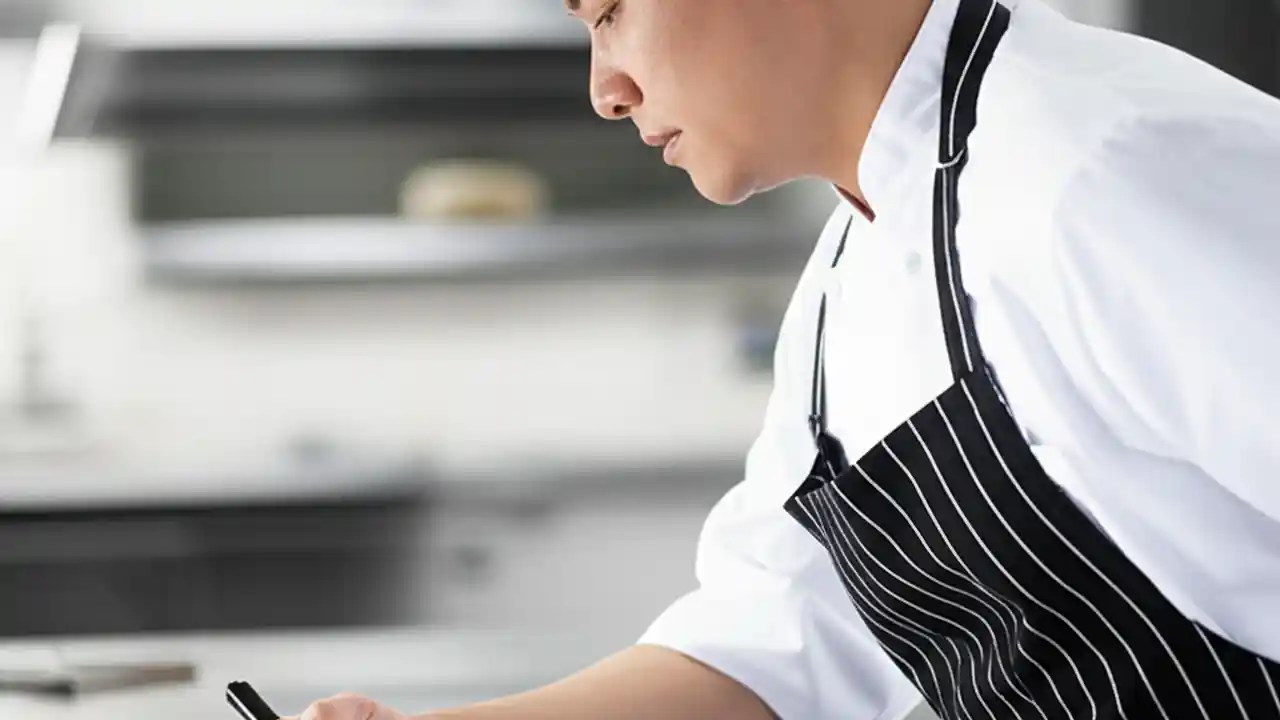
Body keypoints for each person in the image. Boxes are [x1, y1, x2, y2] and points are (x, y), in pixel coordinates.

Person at [287, 0, 1280, 717]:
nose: (603, 88)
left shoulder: (1099, 170)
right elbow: (780, 646)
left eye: (608, 14)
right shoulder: (855, 263)